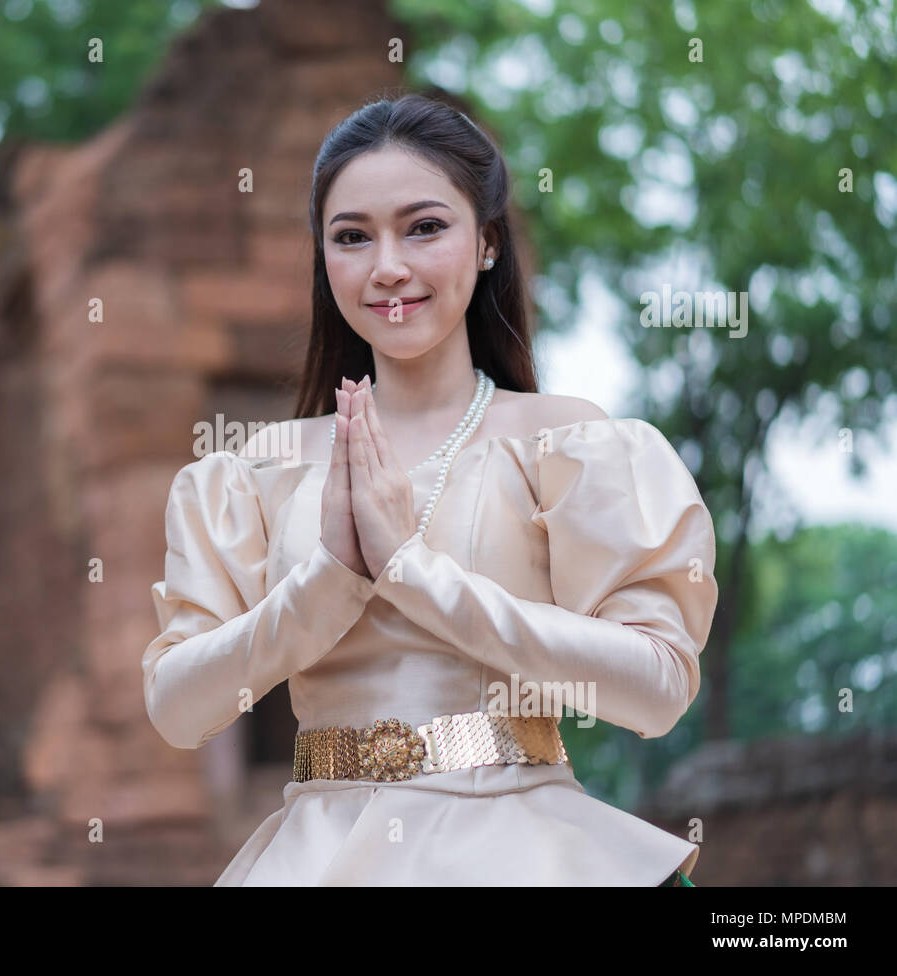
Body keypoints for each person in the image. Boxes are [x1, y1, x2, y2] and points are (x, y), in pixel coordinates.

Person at [142, 94, 718, 885]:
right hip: (315, 857)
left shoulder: (567, 442)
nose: (388, 267)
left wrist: (415, 572)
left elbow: (655, 688)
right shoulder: (250, 472)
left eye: (424, 227)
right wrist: (328, 583)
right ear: (324, 259)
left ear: (485, 242)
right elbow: (178, 709)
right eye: (351, 237)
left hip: (522, 846)